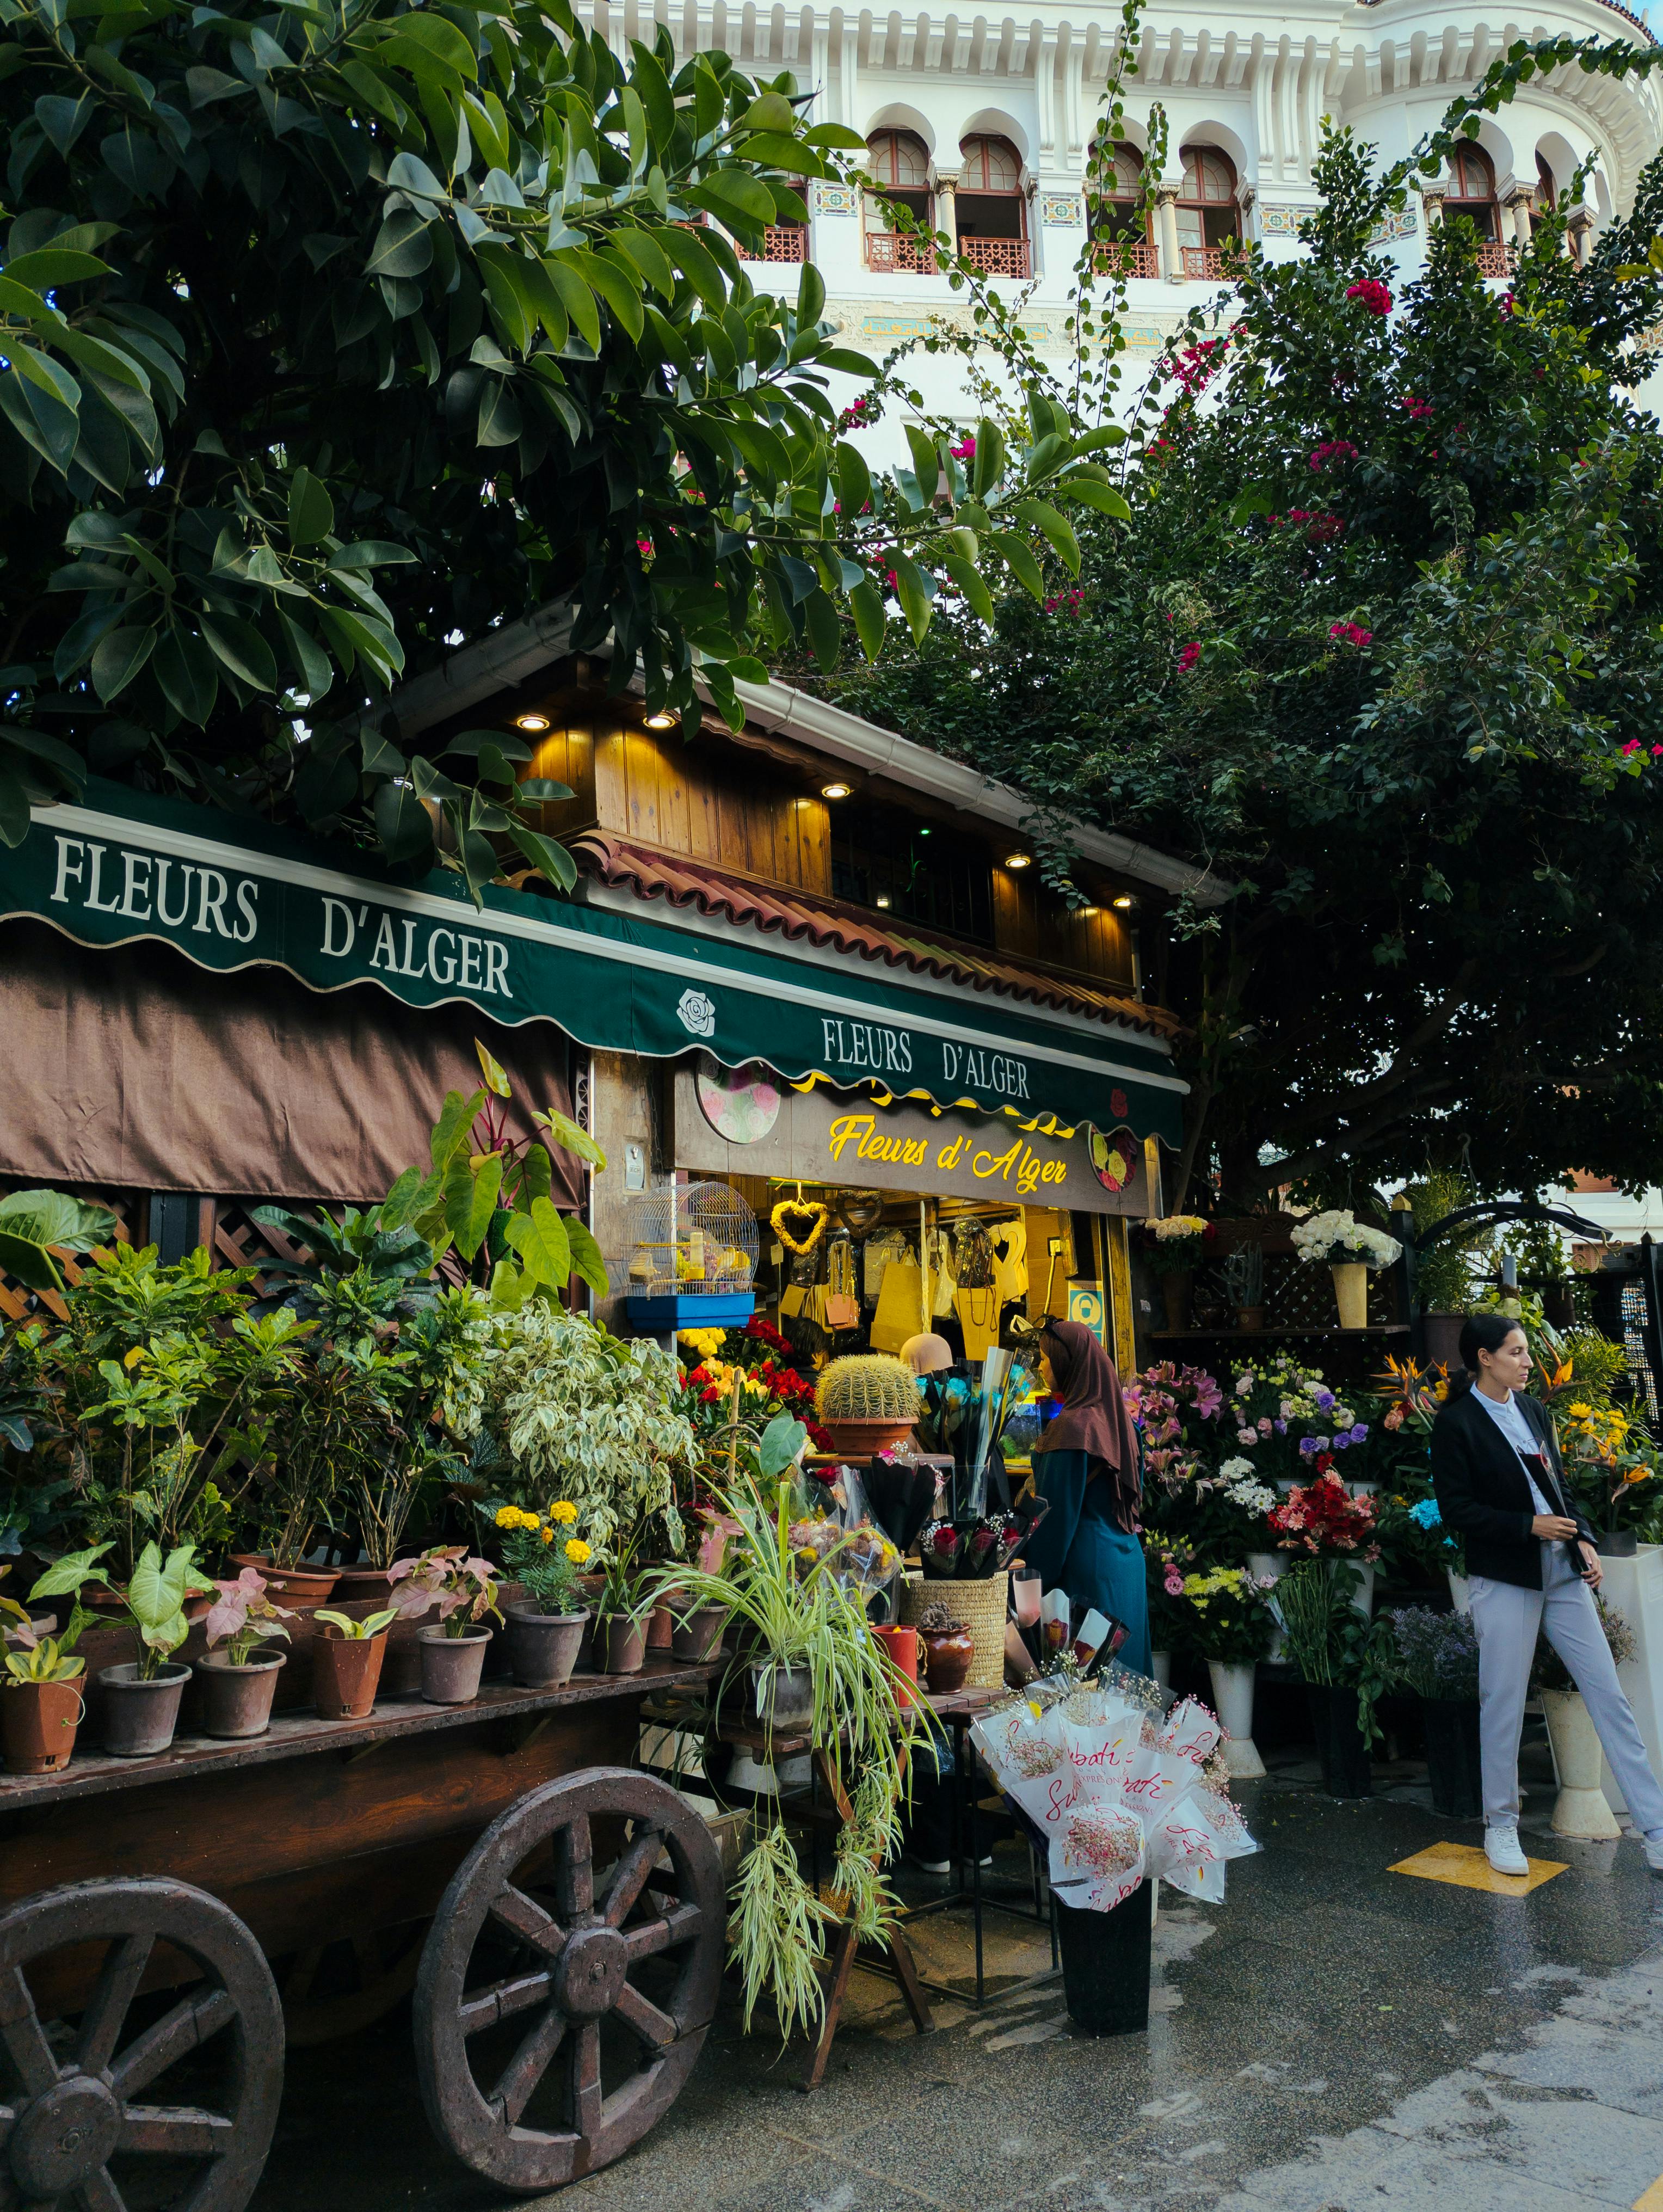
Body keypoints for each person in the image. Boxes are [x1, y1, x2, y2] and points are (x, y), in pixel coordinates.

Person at [1430, 1311, 1663, 1877]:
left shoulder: (1532, 1410)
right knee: (1503, 1703)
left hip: (1560, 1572)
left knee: (1608, 1696)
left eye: (1525, 1351)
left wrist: (1580, 1537)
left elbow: (1556, 1487)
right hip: (1505, 1575)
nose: (1527, 1361)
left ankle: (1655, 1828)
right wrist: (1527, 1526)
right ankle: (1500, 1826)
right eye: (1514, 1351)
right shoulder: (1455, 1423)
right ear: (1483, 1357)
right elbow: (1456, 1511)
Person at [1021, 1318, 1151, 1676]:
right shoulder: (1121, 1424)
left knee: (1090, 1699)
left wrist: (1031, 1584)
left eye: (1047, 1358)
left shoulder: (1073, 1427)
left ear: (1069, 1362)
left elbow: (1056, 1520)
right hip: (1125, 1567)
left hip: (1087, 1576)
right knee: (1129, 1694)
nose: (1042, 1365)